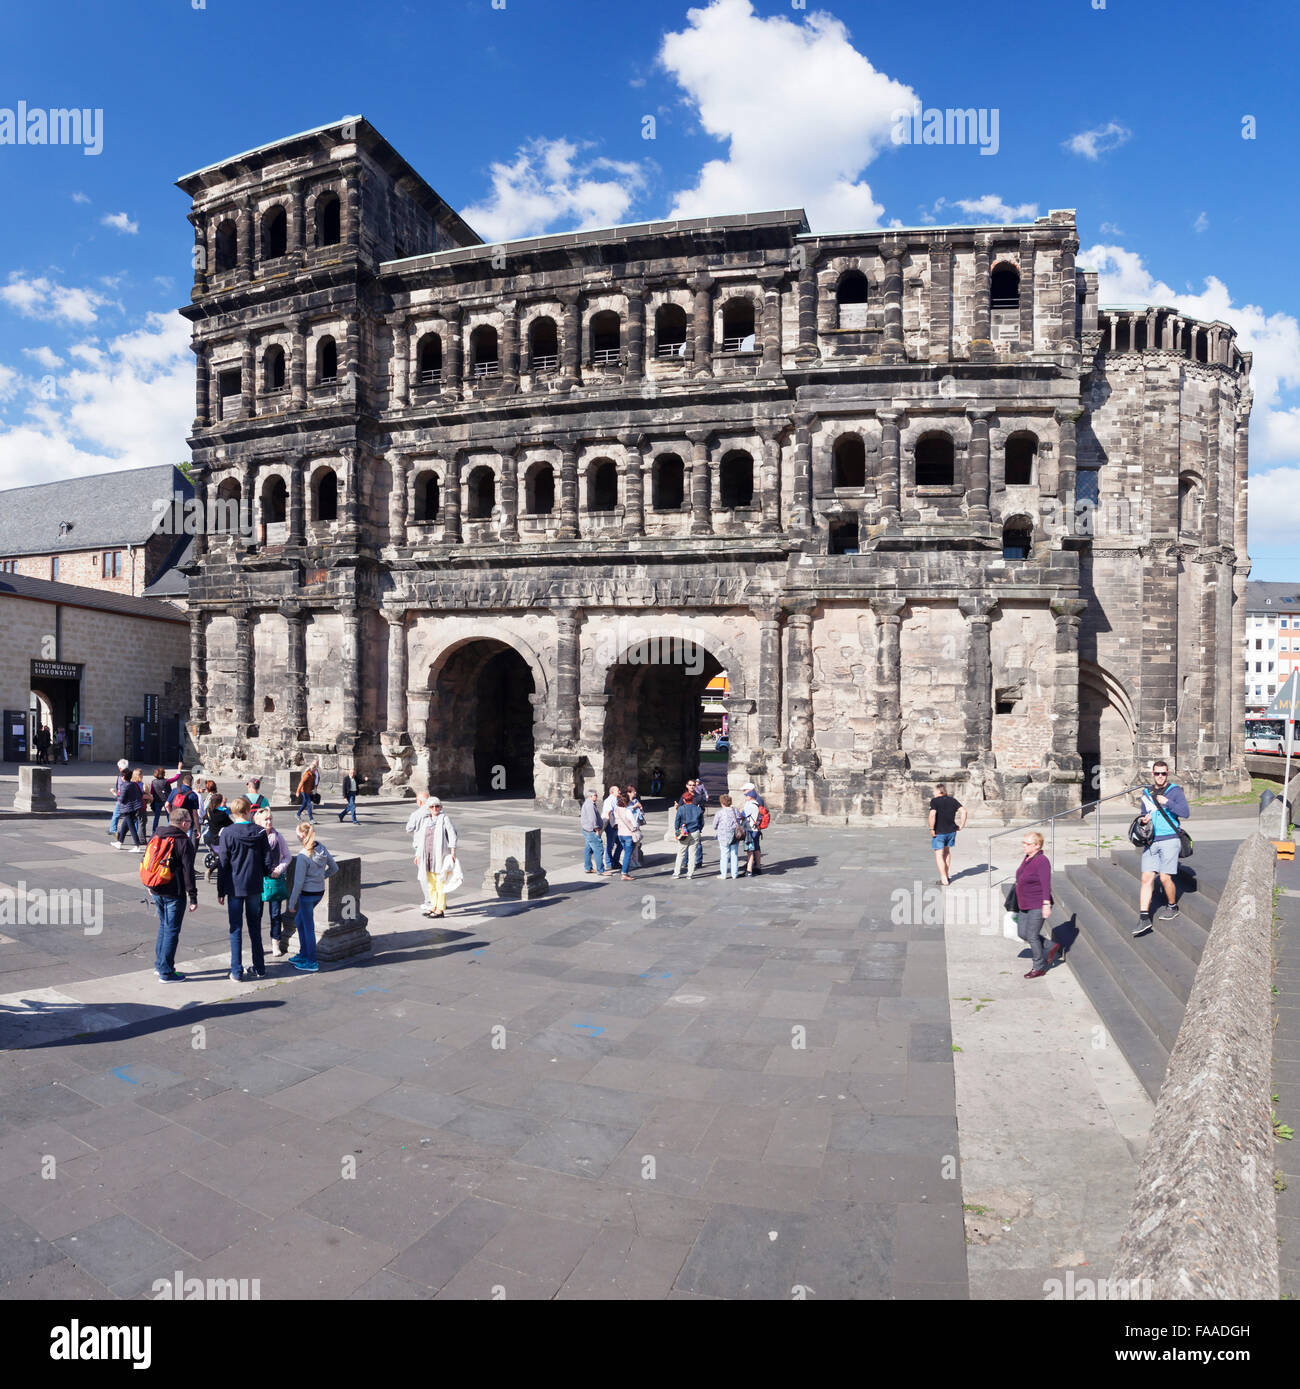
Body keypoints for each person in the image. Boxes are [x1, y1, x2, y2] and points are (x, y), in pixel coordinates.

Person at [216, 795, 273, 982]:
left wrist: (220, 890)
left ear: (233, 812)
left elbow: (223, 863)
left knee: (236, 928)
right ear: (249, 811)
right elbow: (267, 859)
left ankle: (237, 970)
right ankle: (259, 967)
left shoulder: (227, 833)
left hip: (234, 886)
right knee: (255, 927)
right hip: (254, 885)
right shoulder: (259, 832)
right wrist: (263, 873)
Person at [1134, 759, 1191, 938]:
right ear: (1153, 773)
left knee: (1165, 878)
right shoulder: (1147, 792)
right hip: (1152, 840)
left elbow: (1185, 812)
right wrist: (1144, 819)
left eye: (1163, 773)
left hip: (1170, 839)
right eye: (1157, 773)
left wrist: (1167, 802)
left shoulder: (1175, 791)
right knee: (1146, 877)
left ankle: (1172, 906)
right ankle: (1144, 917)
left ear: (1167, 774)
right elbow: (1145, 813)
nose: (1160, 776)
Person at [147, 808, 199, 981]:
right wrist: (193, 896)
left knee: (164, 926)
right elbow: (188, 872)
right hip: (173, 892)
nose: (190, 825)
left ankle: (159, 964)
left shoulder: (158, 835)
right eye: (190, 823)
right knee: (171, 931)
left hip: (156, 888)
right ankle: (166, 971)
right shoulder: (184, 842)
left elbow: (148, 861)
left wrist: (149, 883)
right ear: (184, 823)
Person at [285, 821, 337, 973]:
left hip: (306, 895)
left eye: (297, 834)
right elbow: (334, 868)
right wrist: (321, 877)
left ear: (302, 835)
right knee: (299, 920)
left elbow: (298, 883)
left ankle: (311, 961)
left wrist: (291, 903)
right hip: (318, 892)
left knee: (308, 927)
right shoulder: (321, 848)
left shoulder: (303, 856)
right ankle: (303, 953)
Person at [1014, 830, 1060, 978]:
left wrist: (1046, 904)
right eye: (1023, 842)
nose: (1024, 846)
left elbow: (1046, 884)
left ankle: (1038, 966)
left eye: (1027, 844)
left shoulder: (1042, 861)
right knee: (1022, 933)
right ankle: (1050, 946)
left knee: (1032, 936)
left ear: (1037, 845)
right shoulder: (1028, 857)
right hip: (1024, 903)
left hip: (1037, 904)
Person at [255, 807, 294, 954]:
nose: (269, 821)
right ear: (258, 822)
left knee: (275, 913)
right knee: (256, 913)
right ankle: (257, 943)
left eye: (270, 818)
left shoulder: (277, 837)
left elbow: (287, 856)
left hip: (274, 879)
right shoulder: (254, 837)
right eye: (266, 819)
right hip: (258, 880)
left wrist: (280, 869)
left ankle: (275, 943)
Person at [414, 796, 458, 918]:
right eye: (432, 807)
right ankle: (433, 906)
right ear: (428, 808)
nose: (435, 808)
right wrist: (417, 854)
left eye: (437, 806)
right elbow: (420, 839)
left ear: (441, 807)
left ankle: (440, 909)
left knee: (440, 883)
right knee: (430, 883)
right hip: (427, 855)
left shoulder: (445, 819)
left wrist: (453, 852)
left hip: (440, 855)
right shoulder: (426, 820)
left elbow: (452, 835)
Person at [928, 783, 968, 887]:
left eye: (934, 791)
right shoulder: (952, 800)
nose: (933, 793)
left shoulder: (934, 801)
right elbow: (963, 811)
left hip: (939, 832)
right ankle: (946, 874)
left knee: (939, 854)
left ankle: (944, 878)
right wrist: (962, 825)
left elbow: (932, 815)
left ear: (938, 791)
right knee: (947, 852)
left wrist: (932, 828)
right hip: (951, 831)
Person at [405, 792, 434, 911]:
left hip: (421, 847)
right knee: (435, 874)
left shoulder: (417, 814)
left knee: (424, 875)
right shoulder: (436, 812)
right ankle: (439, 900)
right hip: (435, 846)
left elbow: (409, 829)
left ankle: (429, 901)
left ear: (420, 801)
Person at [672, 790, 704, 880]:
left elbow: (677, 821)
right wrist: (699, 829)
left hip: (684, 832)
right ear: (692, 799)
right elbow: (702, 822)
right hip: (695, 831)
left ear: (684, 800)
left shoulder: (681, 808)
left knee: (681, 853)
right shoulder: (698, 809)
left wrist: (677, 831)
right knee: (692, 854)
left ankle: (676, 873)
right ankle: (690, 874)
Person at [114, 770, 146, 851]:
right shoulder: (134, 784)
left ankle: (137, 845)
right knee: (125, 824)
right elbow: (140, 794)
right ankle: (120, 842)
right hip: (135, 807)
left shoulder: (124, 785)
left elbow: (122, 799)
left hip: (128, 808)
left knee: (131, 826)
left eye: (121, 776)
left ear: (123, 777)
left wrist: (114, 794)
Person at [202, 792, 232, 879]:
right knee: (226, 856)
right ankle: (210, 870)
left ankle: (211, 871)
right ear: (219, 803)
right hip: (220, 840)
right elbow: (231, 824)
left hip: (211, 839)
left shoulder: (208, 811)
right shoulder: (221, 814)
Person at [713, 793, 742, 881]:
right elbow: (739, 820)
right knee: (734, 854)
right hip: (734, 835)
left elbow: (714, 825)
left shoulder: (720, 813)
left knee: (724, 855)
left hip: (723, 836)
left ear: (722, 803)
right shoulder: (735, 810)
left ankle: (724, 874)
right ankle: (734, 874)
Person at [612, 792, 641, 881]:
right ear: (627, 802)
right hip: (628, 834)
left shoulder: (616, 810)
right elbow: (634, 823)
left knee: (626, 853)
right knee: (628, 854)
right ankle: (624, 873)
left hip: (620, 834)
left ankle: (624, 871)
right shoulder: (627, 811)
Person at [168, 774, 202, 849]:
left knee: (172, 840)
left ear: (183, 781)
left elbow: (167, 805)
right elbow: (195, 814)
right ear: (192, 783)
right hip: (187, 822)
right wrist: (198, 828)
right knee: (184, 843)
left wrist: (171, 814)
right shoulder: (193, 795)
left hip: (174, 819)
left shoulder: (175, 790)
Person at [580, 789, 607, 874]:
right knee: (599, 849)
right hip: (591, 831)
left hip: (587, 830)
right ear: (590, 796)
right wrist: (597, 829)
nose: (597, 796)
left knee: (588, 849)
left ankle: (588, 867)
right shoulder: (590, 805)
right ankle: (600, 870)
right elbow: (592, 819)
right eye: (595, 795)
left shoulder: (589, 804)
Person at [741, 785, 764, 876]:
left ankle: (749, 870)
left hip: (750, 830)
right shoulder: (757, 804)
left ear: (750, 796)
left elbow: (742, 815)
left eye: (746, 795)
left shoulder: (750, 805)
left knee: (749, 850)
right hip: (757, 830)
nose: (745, 797)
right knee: (757, 849)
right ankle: (758, 867)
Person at [601, 784, 622, 874]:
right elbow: (608, 812)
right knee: (610, 844)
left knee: (620, 843)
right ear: (612, 792)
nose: (619, 792)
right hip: (611, 824)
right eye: (618, 790)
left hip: (615, 824)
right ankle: (609, 863)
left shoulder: (616, 799)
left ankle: (614, 861)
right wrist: (612, 824)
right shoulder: (609, 800)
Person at [107, 758, 130, 837]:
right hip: (128, 798)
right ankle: (136, 830)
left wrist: (115, 793)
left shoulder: (122, 776)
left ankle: (113, 829)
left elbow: (119, 786)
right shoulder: (131, 774)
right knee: (131, 816)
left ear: (120, 768)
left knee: (117, 814)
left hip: (122, 798)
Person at [626, 785, 646, 869]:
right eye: (633, 791)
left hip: (636, 824)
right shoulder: (626, 802)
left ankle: (636, 860)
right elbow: (626, 811)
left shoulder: (636, 800)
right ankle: (631, 861)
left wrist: (640, 808)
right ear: (629, 793)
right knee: (631, 844)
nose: (635, 793)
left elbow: (641, 813)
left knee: (637, 844)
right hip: (630, 825)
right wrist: (635, 806)